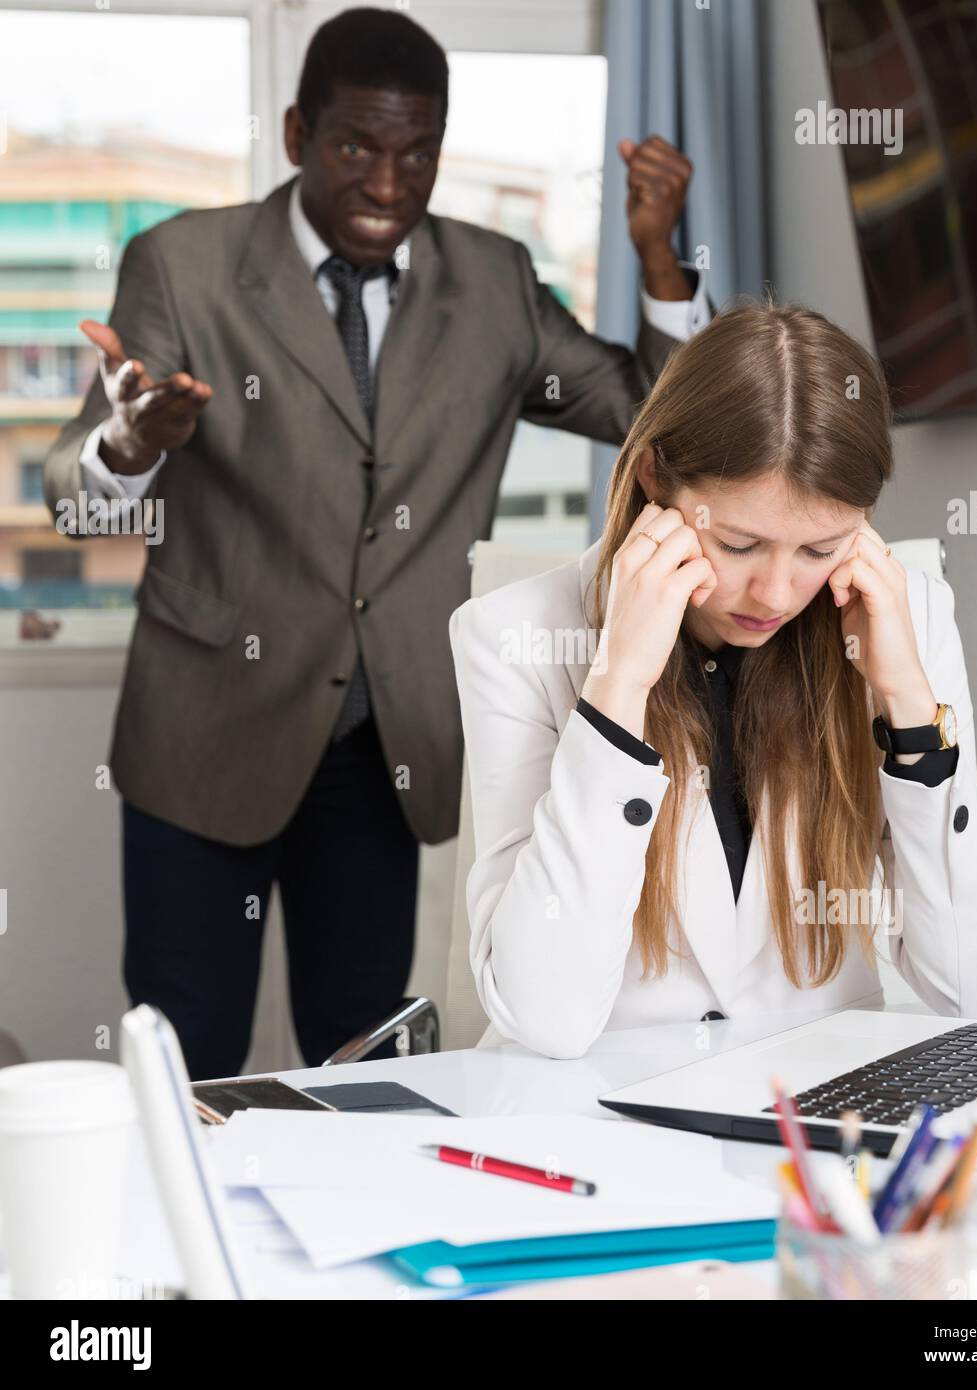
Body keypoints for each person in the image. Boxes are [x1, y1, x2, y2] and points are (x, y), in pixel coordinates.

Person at [43, 8, 710, 1079]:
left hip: (382, 748)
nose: (388, 185)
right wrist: (131, 439)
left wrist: (655, 262)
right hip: (206, 731)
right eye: (356, 147)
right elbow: (79, 496)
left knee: (363, 1057)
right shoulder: (182, 263)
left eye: (416, 154)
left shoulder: (493, 280)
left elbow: (651, 417)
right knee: (185, 1050)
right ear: (299, 131)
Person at [449, 301, 977, 1059]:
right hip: (592, 1119)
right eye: (737, 543)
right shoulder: (512, 636)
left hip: (809, 1116)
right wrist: (618, 685)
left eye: (819, 549)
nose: (775, 595)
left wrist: (911, 712)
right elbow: (544, 1017)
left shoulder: (904, 614)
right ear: (654, 477)